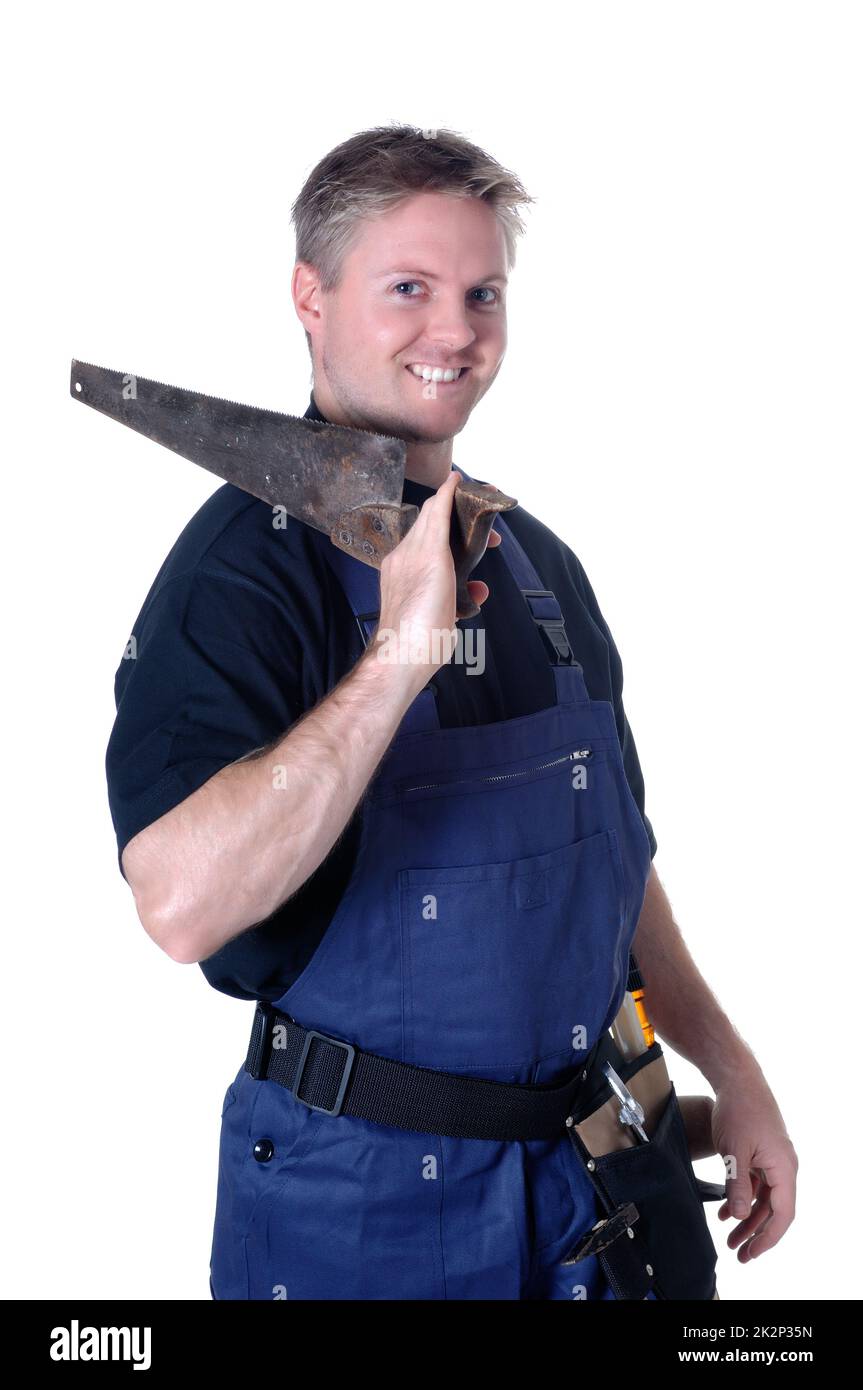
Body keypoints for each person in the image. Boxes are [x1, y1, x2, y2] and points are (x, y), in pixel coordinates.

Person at [106, 124, 797, 1301]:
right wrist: (397, 660)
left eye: (482, 292)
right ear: (309, 299)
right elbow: (178, 904)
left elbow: (610, 865)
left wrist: (728, 1067)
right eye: (408, 289)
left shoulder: (534, 562)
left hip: (590, 1190)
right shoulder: (237, 580)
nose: (455, 330)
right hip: (359, 1218)